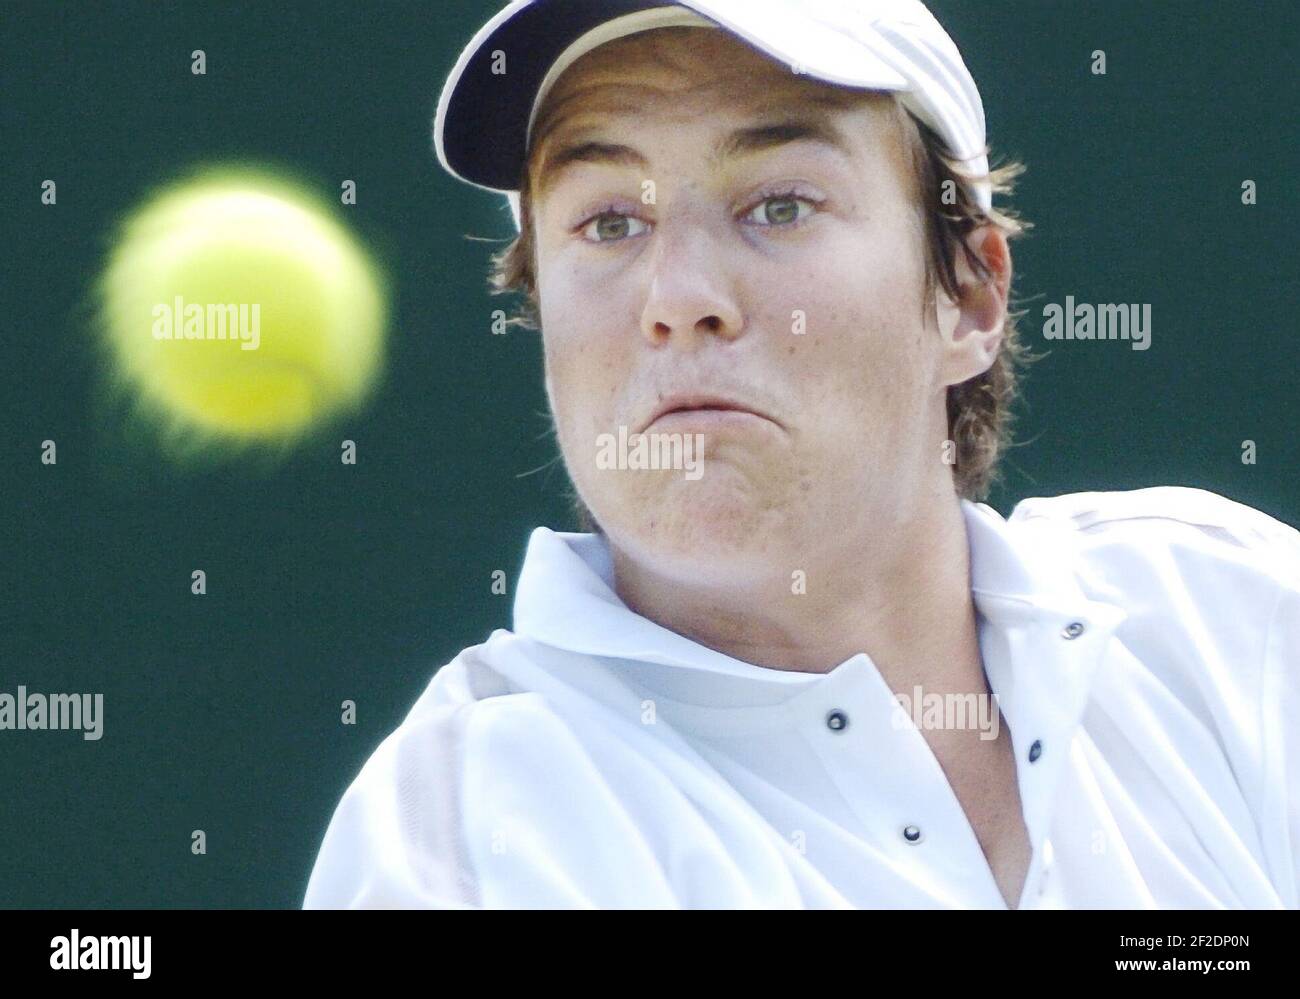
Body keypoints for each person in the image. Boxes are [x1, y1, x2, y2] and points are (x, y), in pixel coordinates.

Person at [302, 0, 1300, 909]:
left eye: (778, 205)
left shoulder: (1231, 616)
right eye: (609, 222)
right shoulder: (468, 840)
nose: (677, 296)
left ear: (968, 293)